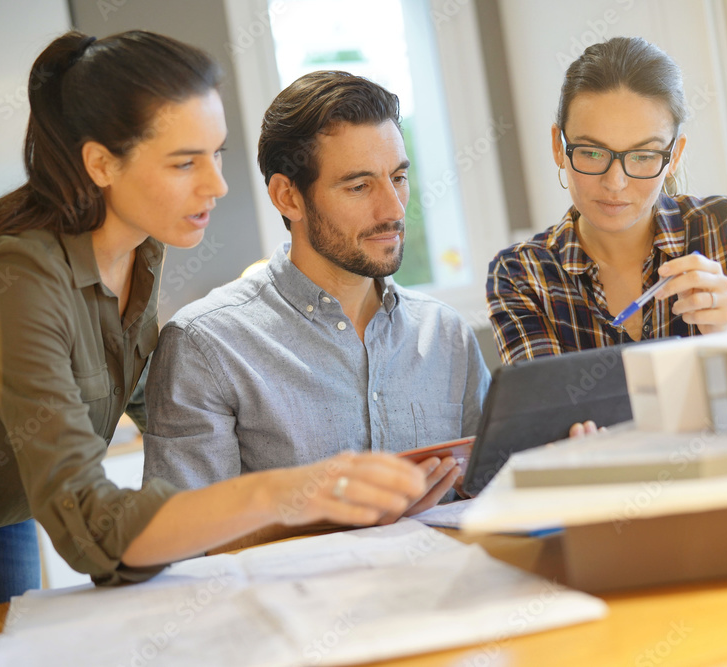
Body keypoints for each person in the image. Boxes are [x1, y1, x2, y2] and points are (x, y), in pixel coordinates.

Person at [0, 32, 427, 614]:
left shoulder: (139, 249)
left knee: (5, 640)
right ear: (101, 163)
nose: (217, 184)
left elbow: (138, 383)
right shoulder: (22, 271)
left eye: (215, 154)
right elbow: (92, 531)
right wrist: (283, 490)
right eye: (184, 161)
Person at [142, 71, 491, 513]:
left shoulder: (445, 334)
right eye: (359, 186)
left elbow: (493, 494)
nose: (394, 209)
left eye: (398, 177)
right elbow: (188, 541)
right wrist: (332, 514)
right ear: (288, 197)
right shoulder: (206, 346)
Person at [487, 36, 727, 368]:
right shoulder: (522, 274)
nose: (615, 183)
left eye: (644, 155)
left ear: (674, 155)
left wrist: (726, 331)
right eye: (591, 152)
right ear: (559, 147)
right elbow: (548, 412)